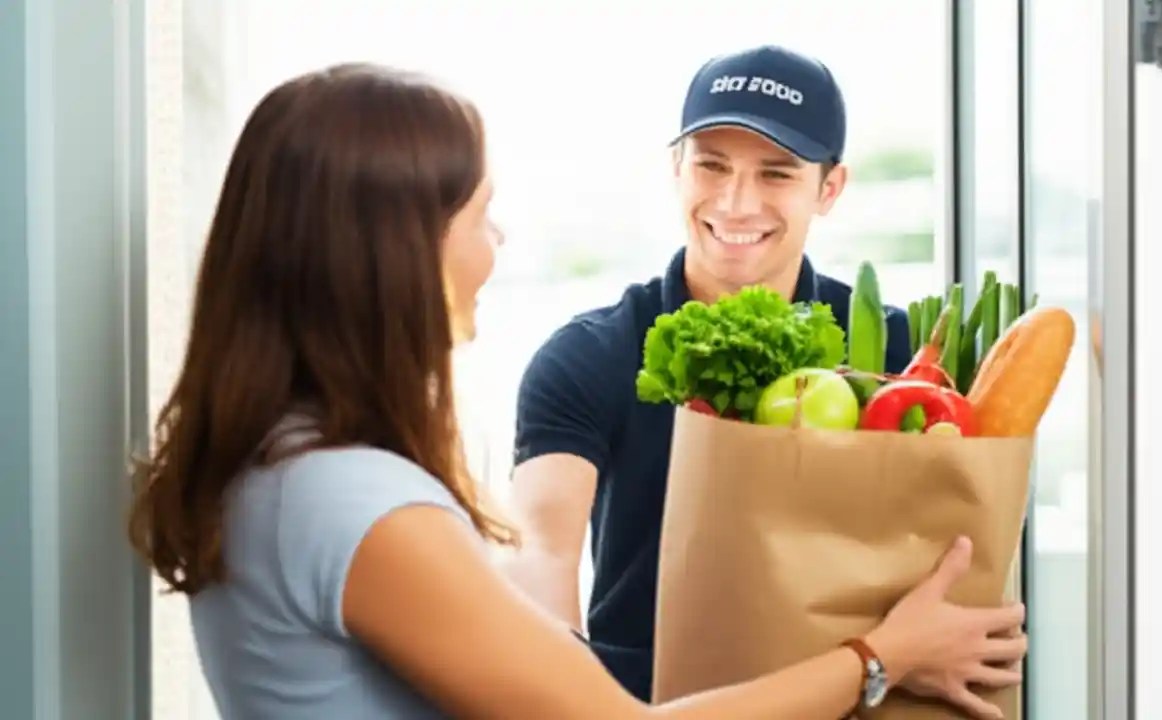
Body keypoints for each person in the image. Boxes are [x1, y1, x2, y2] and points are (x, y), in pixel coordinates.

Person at [126, 62, 1025, 720]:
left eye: (776, 172)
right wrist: (881, 657)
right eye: (480, 215)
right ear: (395, 251)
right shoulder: (352, 503)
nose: (500, 242)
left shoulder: (305, 473)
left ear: (829, 189)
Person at [506, 44, 938, 701]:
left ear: (830, 188)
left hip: (854, 696)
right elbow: (544, 554)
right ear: (676, 169)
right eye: (711, 165)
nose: (736, 203)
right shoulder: (589, 356)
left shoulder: (895, 351)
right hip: (644, 705)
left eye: (776, 174)